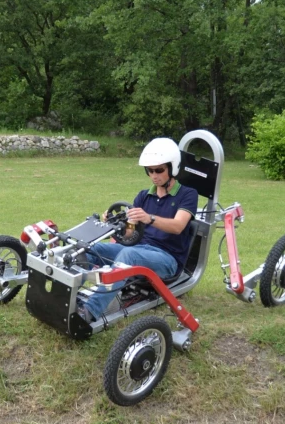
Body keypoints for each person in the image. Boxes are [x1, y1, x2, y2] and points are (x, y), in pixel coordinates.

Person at [79, 137, 199, 322]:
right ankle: (69, 298)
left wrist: (149, 218)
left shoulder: (188, 194)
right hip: (137, 249)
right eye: (150, 171)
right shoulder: (144, 196)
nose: (154, 175)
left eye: (159, 170)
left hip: (168, 258)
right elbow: (129, 233)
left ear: (172, 168)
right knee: (89, 249)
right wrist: (113, 222)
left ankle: (89, 312)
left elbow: (178, 226)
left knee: (128, 256)